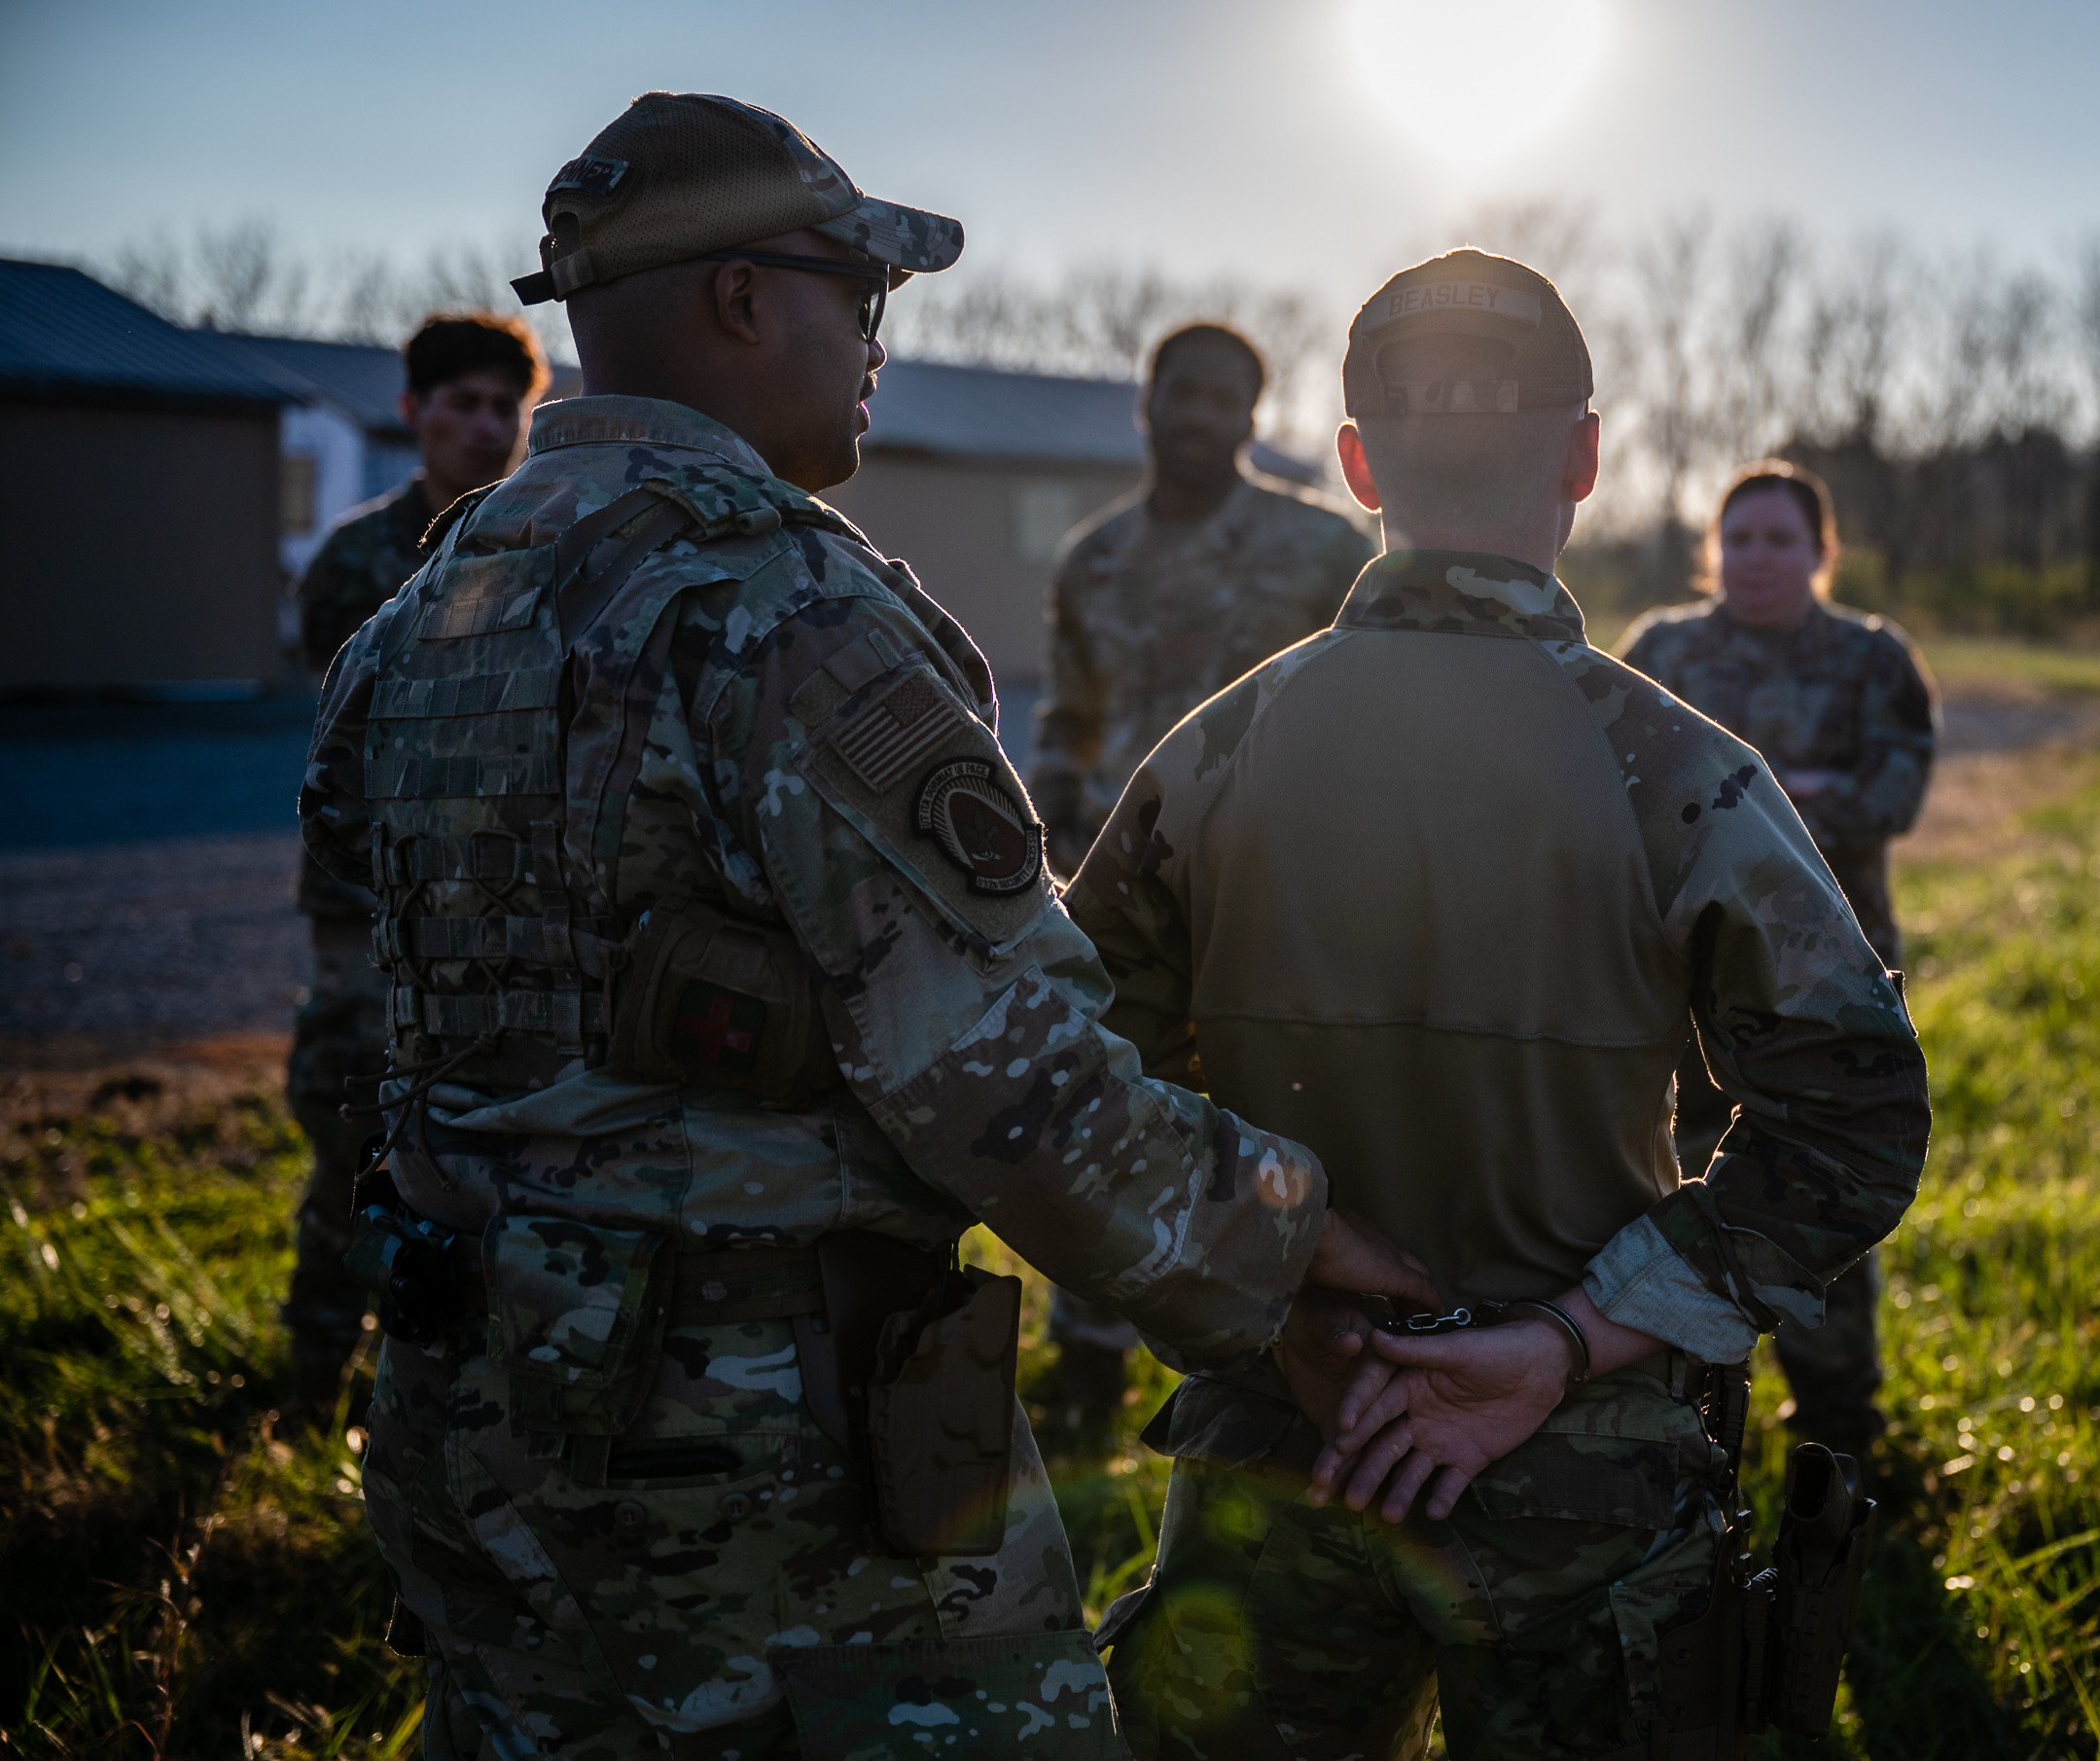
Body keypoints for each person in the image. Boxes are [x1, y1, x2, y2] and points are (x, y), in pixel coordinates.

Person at [302, 91, 1430, 1757]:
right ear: (744, 298)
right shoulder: (777, 607)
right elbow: (1003, 1075)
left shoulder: (424, 611)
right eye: (863, 290)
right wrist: (1294, 1240)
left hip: (470, 1416)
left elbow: (384, 1005)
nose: (880, 340)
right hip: (759, 1452)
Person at [1066, 249, 1929, 1759]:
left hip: (1288, 1448)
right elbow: (1854, 1118)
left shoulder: (1205, 758)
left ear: (1354, 467)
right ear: (1586, 457)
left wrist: (1283, 1303)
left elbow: (1062, 1092)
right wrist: (1569, 1341)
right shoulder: (1682, 770)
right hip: (1588, 1484)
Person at [1026, 322, 1378, 1440]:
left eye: (1223, 400)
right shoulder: (1093, 557)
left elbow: (1370, 707)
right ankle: (1088, 1358)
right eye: (1181, 395)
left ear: (1250, 416)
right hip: (1123, 888)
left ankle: (1291, 1345)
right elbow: (1068, 718)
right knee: (1104, 1101)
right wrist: (1051, 852)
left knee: (1279, 1105)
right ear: (1147, 403)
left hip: (1280, 883)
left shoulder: (1321, 550)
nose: (1198, 417)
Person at [1616, 460, 1936, 1459]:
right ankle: (1673, 1417)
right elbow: (1607, 795)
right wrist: (1797, 791)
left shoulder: (1871, 659)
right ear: (1711, 551)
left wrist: (1720, 807)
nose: (1754, 558)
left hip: (1818, 985)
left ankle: (1837, 1428)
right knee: (1665, 1185)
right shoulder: (1659, 651)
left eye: (1778, 540)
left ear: (1819, 552)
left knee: (1814, 1190)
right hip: (1670, 977)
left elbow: (1889, 797)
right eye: (1738, 539)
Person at [280, 311, 549, 1414]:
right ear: (413, 412)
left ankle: (455, 1381)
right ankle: (312, 1377)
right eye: (463, 404)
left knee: (498, 1137)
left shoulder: (549, 544)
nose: (486, 427)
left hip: (511, 898)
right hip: (374, 895)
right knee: (354, 1122)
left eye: (505, 407)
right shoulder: (359, 561)